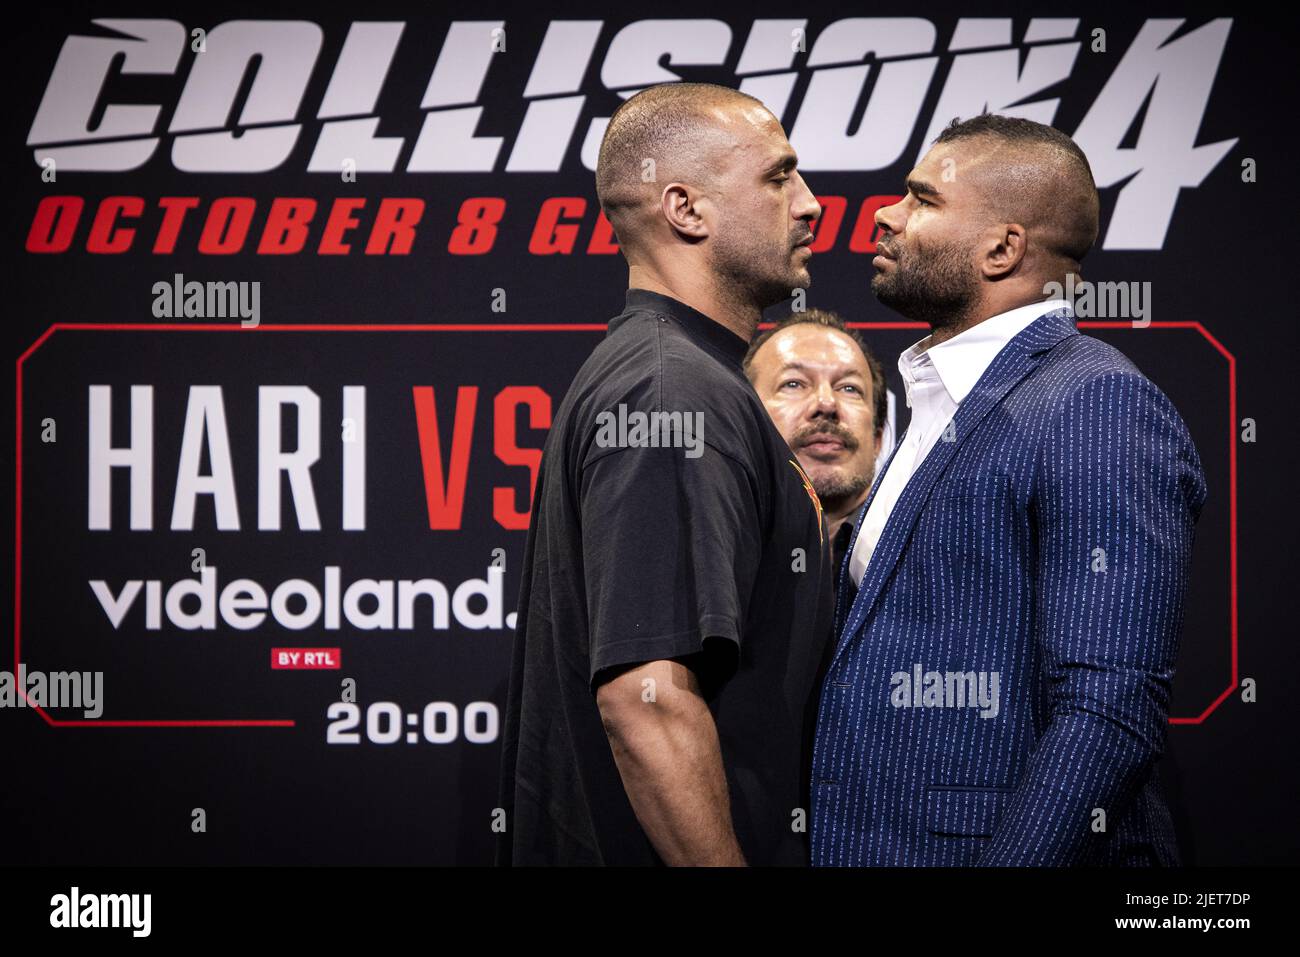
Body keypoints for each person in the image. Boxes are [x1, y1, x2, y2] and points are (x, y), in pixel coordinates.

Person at [813, 114, 1207, 866]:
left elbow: (1108, 709)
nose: (885, 216)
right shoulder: (941, 394)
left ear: (1003, 247)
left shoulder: (1096, 402)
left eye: (921, 199)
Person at [497, 81, 832, 866]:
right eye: (779, 177)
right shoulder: (668, 390)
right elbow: (646, 702)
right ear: (685, 209)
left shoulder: (672, 374)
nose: (811, 204)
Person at [743, 309, 886, 598]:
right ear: (744, 423)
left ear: (878, 440)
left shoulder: (933, 553)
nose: (826, 403)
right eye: (793, 383)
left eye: (849, 388)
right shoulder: (709, 554)